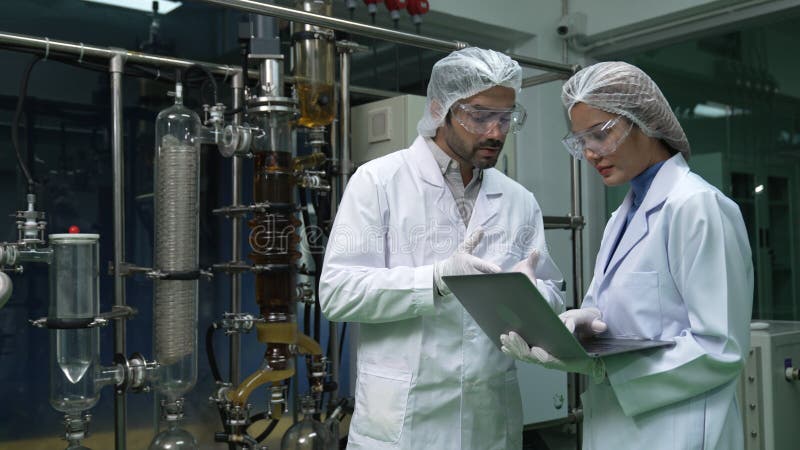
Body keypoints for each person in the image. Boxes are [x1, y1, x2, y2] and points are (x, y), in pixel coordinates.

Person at [319, 47, 565, 450]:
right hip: (405, 421)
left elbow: (552, 291)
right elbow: (337, 294)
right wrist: (433, 279)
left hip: (488, 419)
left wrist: (533, 299)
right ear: (439, 109)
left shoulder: (519, 200)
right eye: (480, 115)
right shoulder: (379, 182)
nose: (496, 132)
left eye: (506, 118)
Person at [500, 61, 754, 450]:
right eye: (580, 140)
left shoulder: (696, 206)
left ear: (645, 121)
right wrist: (579, 330)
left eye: (601, 134)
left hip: (678, 430)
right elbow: (622, 316)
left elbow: (720, 348)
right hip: (617, 424)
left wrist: (603, 365)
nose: (589, 152)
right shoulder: (624, 214)